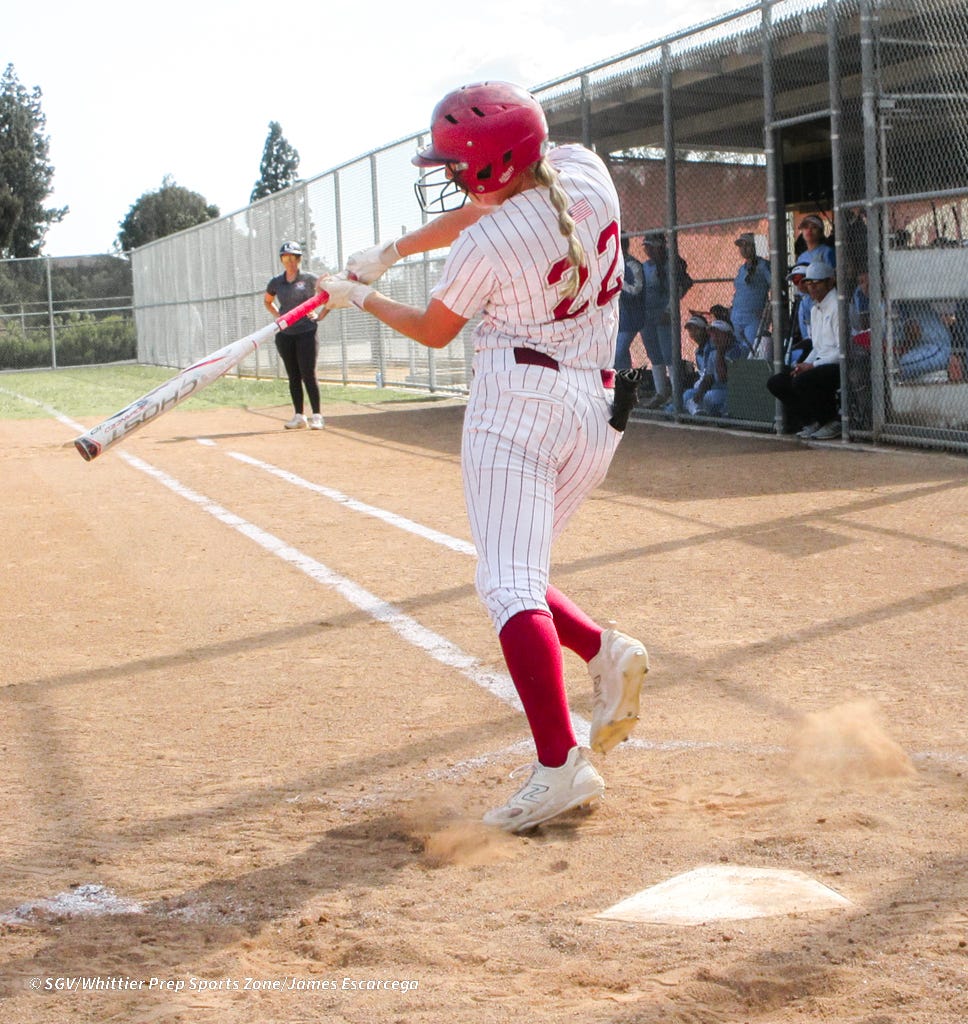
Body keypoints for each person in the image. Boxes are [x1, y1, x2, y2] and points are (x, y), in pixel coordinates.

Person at [318, 82, 649, 834]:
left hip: (520, 408)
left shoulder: (487, 244)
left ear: (491, 166)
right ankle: (604, 651)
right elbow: (494, 206)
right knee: (516, 573)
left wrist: (357, 297)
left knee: (507, 584)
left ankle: (560, 765)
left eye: (456, 165)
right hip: (597, 411)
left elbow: (434, 329)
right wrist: (393, 251)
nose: (449, 175)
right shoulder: (582, 169)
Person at [767, 260, 842, 439]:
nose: (812, 287)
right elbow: (816, 347)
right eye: (809, 283)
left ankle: (832, 422)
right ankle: (811, 421)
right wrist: (803, 365)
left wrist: (812, 366)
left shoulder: (837, 306)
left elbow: (842, 352)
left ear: (830, 282)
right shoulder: (815, 309)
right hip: (820, 363)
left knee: (804, 381)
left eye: (817, 283)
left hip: (839, 365)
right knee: (777, 381)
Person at [264, 241, 324, 429]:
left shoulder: (309, 279)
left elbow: (329, 295)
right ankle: (299, 416)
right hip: (285, 335)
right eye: (286, 257)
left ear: (299, 259)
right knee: (293, 375)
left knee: (308, 373)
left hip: (306, 332)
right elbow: (268, 301)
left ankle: (317, 416)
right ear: (281, 259)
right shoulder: (276, 282)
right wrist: (280, 317)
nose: (290, 261)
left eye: (294, 257)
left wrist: (320, 314)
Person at [731, 233, 771, 355]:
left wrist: (768, 309)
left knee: (751, 350)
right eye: (741, 245)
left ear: (755, 247)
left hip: (754, 316)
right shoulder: (742, 269)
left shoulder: (763, 265)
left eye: (747, 245)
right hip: (737, 315)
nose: (743, 248)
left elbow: (774, 285)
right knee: (737, 350)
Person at [614, 235, 645, 371]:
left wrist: (619, 283)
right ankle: (624, 381)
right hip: (617, 318)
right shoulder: (613, 265)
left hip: (630, 318)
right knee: (622, 357)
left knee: (616, 355)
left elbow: (636, 290)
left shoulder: (632, 265)